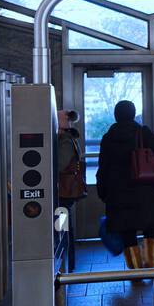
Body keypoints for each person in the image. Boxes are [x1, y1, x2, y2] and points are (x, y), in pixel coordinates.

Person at [96, 100, 154, 271]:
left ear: (116, 115)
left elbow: (103, 167)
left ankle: (135, 271)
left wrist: (103, 192)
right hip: (145, 190)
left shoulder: (108, 137)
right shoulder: (142, 132)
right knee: (150, 228)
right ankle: (150, 264)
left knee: (127, 232)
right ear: (133, 114)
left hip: (118, 193)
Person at [56, 109, 85, 271]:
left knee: (62, 228)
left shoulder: (65, 141)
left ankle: (66, 264)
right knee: (63, 227)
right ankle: (67, 263)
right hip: (64, 192)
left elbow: (60, 165)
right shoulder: (67, 139)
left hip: (63, 192)